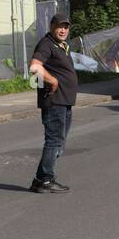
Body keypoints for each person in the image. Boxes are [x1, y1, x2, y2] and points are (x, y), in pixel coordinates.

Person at [28, 13, 78, 193]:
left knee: (58, 142)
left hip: (64, 101)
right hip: (54, 101)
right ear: (52, 26)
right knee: (54, 141)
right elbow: (34, 68)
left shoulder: (61, 46)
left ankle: (40, 180)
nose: (63, 30)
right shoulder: (47, 44)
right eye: (59, 26)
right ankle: (46, 179)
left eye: (66, 26)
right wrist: (53, 81)